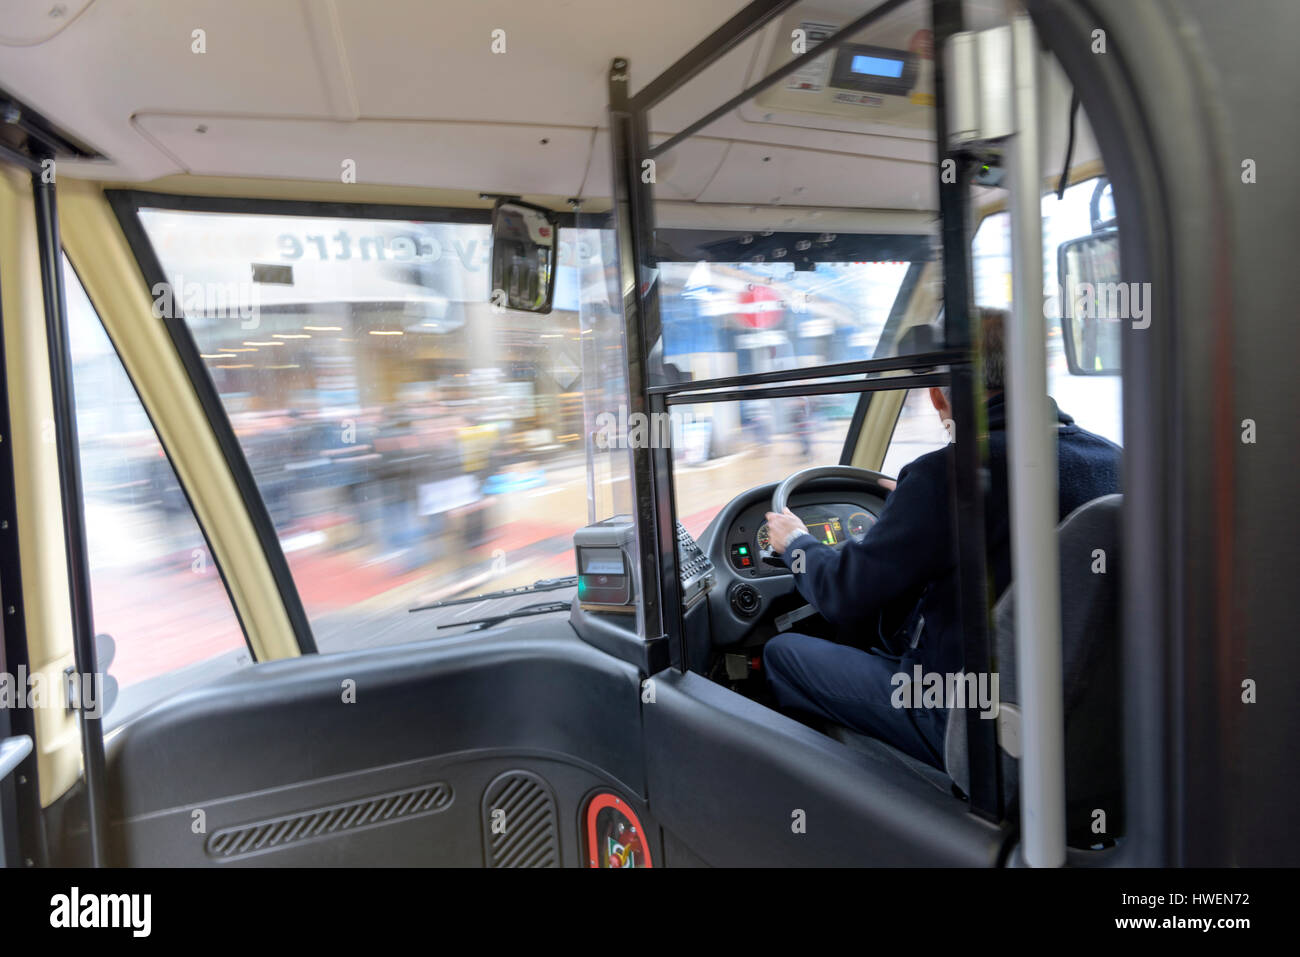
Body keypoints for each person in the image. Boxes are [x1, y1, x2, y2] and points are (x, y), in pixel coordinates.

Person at [761, 308, 1122, 769]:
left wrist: (796, 544)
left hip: (966, 720)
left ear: (938, 398)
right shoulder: (1113, 460)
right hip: (1085, 720)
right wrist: (911, 507)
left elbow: (841, 593)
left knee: (782, 653)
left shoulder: (946, 477)